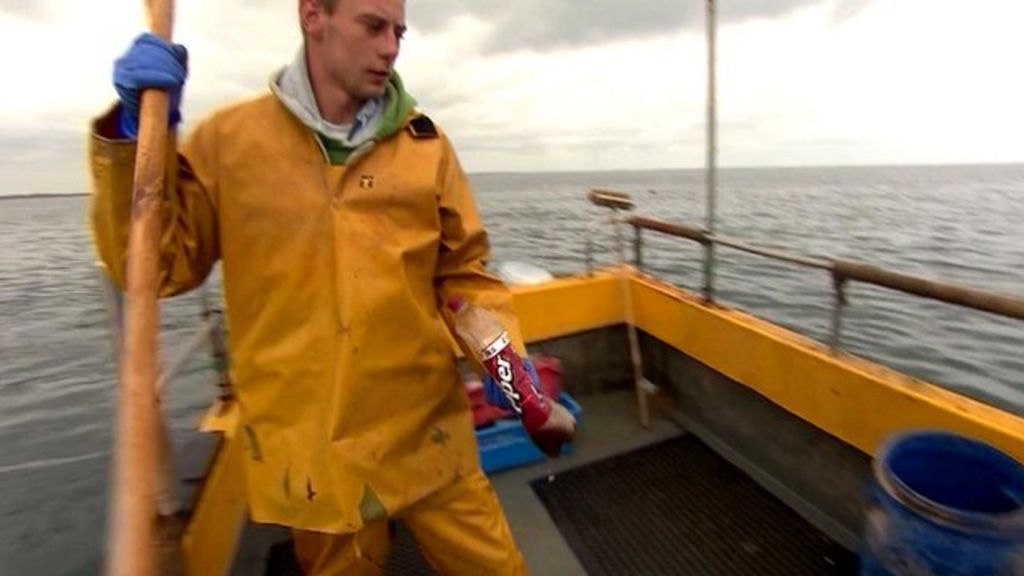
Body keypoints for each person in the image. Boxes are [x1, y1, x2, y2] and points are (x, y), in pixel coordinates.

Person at [89, 0, 536, 573]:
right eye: (373, 26)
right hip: (310, 459)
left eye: (398, 32)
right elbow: (151, 266)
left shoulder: (426, 147)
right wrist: (130, 138)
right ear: (312, 17)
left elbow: (465, 278)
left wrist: (504, 362)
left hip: (425, 436)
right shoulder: (228, 142)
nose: (391, 47)